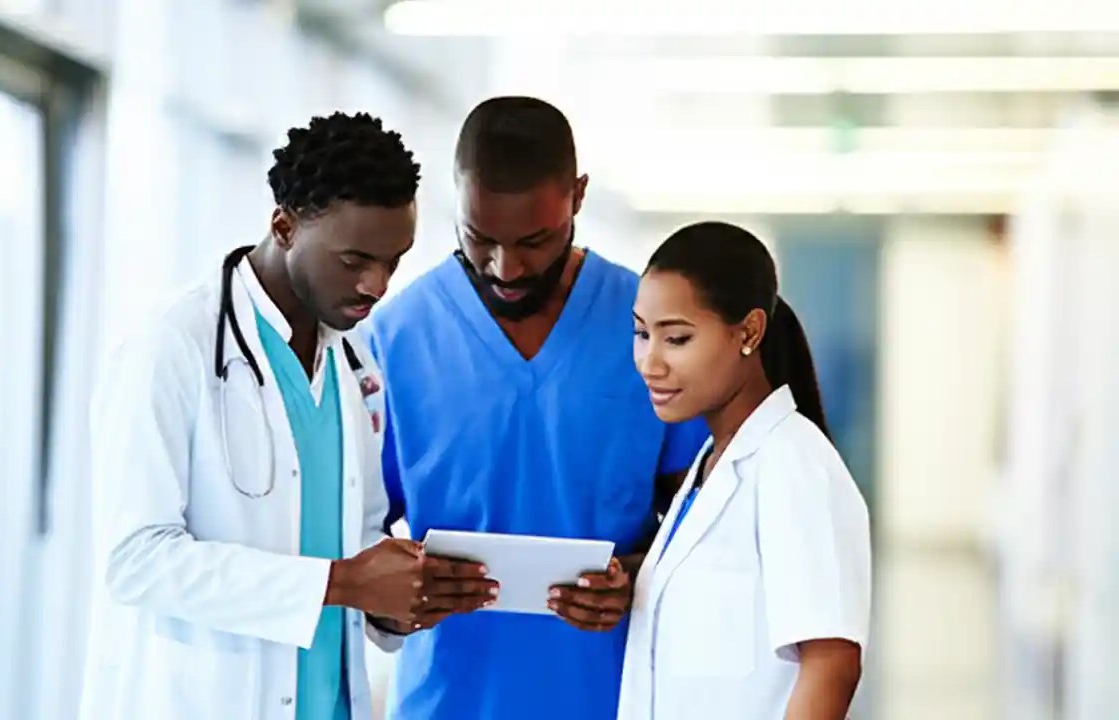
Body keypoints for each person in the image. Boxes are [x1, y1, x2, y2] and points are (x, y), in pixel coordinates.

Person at [78, 111, 493, 720]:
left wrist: (394, 596)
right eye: (355, 260)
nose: (377, 285)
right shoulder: (173, 345)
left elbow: (354, 537)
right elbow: (135, 559)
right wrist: (344, 582)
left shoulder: (353, 368)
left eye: (393, 260)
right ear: (284, 225)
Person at [365, 96, 710, 720]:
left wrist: (635, 578)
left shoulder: (648, 326)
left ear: (577, 196)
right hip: (444, 699)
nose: (506, 267)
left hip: (611, 697)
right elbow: (355, 540)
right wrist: (392, 598)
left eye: (535, 240)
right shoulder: (393, 338)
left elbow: (705, 528)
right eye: (480, 238)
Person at [620, 221, 872, 719]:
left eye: (676, 338)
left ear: (749, 332)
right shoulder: (711, 462)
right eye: (641, 333)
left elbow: (831, 662)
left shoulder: (794, 464)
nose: (650, 362)